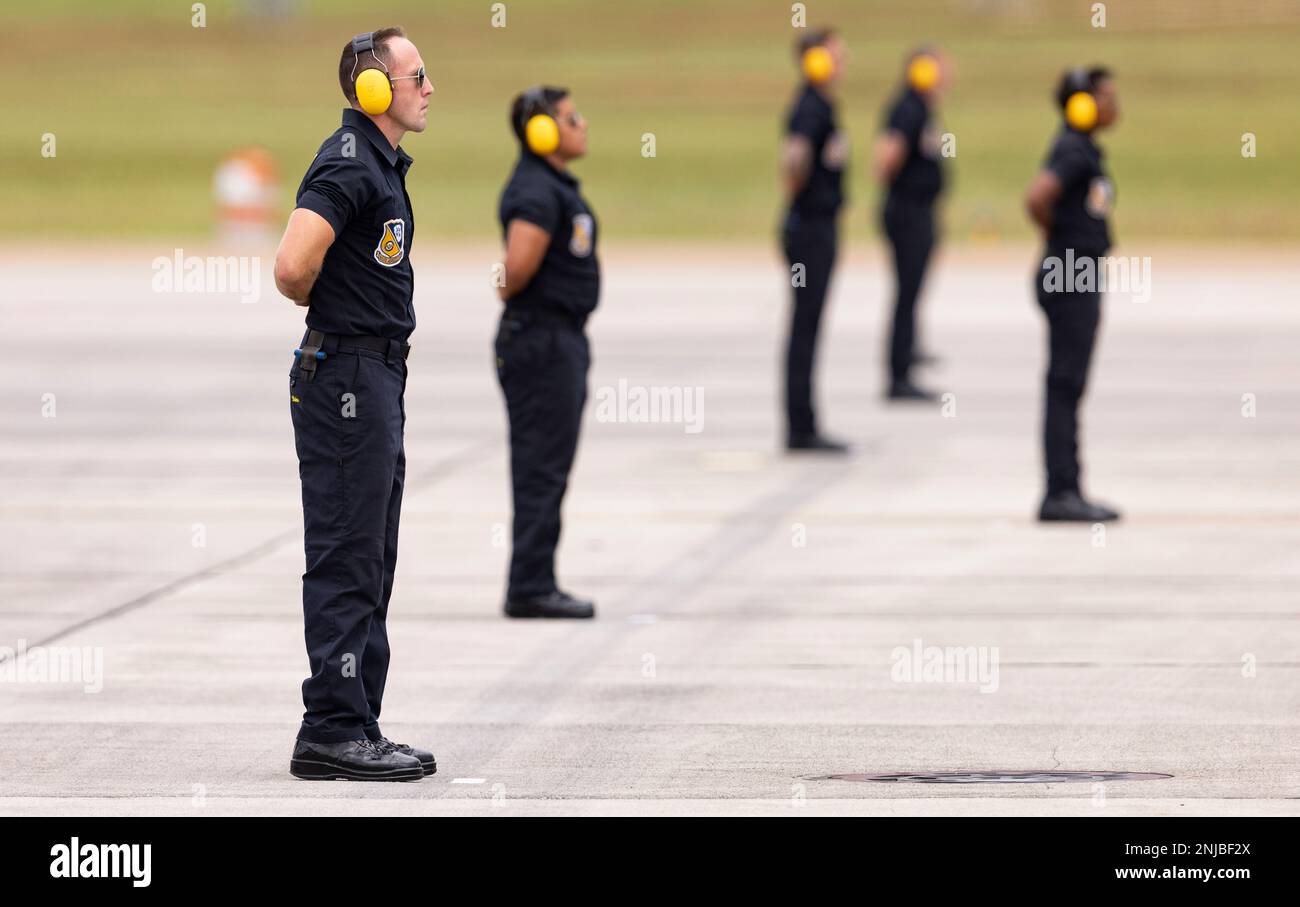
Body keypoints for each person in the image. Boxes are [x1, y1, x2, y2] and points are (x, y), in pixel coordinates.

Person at [274, 27, 436, 780]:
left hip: (373, 376)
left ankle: (356, 719)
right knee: (346, 551)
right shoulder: (347, 163)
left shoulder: (379, 163)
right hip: (346, 375)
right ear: (376, 91)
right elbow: (291, 264)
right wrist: (335, 318)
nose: (429, 87)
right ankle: (332, 728)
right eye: (417, 75)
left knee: (371, 553)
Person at [494, 86, 599, 619]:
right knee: (541, 467)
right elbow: (512, 271)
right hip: (542, 341)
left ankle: (536, 578)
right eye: (570, 117)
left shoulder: (550, 185)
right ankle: (530, 586)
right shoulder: (537, 192)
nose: (581, 123)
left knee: (549, 465)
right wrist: (503, 286)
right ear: (543, 130)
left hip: (557, 339)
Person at [1024, 66, 1122, 522]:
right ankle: (1060, 493)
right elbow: (1037, 198)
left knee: (1069, 384)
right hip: (1071, 271)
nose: (1112, 104)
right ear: (1081, 103)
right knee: (1065, 383)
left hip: (1075, 268)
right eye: (1103, 96)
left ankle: (1068, 487)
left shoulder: (1083, 149)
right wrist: (1062, 241)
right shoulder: (1072, 151)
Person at [779, 29, 851, 452]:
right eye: (837, 55)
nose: (844, 62)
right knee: (804, 327)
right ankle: (800, 427)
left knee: (808, 326)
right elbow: (793, 159)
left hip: (816, 226)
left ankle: (804, 423)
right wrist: (801, 199)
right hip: (809, 230)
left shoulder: (821, 105)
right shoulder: (810, 108)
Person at [873, 46, 950, 402]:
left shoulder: (921, 108)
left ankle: (908, 353)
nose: (945, 76)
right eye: (938, 68)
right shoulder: (908, 108)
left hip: (918, 211)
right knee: (906, 292)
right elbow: (886, 157)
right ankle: (897, 375)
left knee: (912, 290)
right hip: (907, 213)